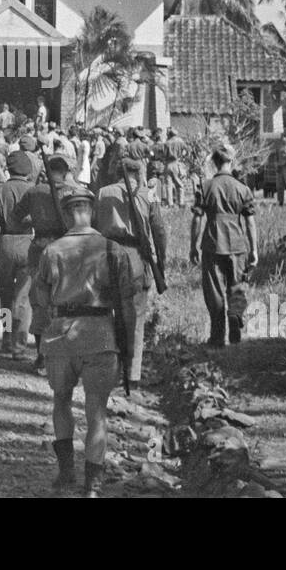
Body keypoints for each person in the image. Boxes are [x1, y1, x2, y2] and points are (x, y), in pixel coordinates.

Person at [35, 188, 137, 498]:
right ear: (91, 212)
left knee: (61, 401)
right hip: (100, 335)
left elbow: (40, 299)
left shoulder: (51, 251)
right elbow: (128, 307)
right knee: (97, 412)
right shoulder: (112, 250)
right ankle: (92, 485)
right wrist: (128, 344)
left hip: (61, 335)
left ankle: (66, 472)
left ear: (67, 215)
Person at [95, 158, 165, 395]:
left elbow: (94, 225)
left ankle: (112, 371)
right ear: (140, 173)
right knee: (135, 318)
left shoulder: (103, 192)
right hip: (135, 255)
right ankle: (132, 376)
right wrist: (160, 263)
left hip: (108, 253)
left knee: (108, 314)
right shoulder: (148, 194)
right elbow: (159, 230)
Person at [189, 146, 258, 348]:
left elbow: (196, 219)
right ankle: (235, 326)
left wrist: (193, 246)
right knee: (236, 287)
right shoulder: (242, 188)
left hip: (212, 243)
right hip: (237, 244)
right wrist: (254, 249)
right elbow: (250, 223)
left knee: (214, 291)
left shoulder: (205, 186)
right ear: (232, 162)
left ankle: (217, 336)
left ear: (214, 163)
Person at [19, 154, 75, 374]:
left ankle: (41, 355)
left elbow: (17, 217)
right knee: (64, 300)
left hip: (39, 247)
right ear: (65, 172)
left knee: (39, 302)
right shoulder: (75, 193)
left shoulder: (33, 191)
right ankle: (60, 353)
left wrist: (38, 217)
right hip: (66, 249)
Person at [0, 149, 36, 359]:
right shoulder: (34, 190)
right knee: (23, 299)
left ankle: (5, 339)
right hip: (27, 242)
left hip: (5, 242)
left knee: (5, 296)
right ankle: (20, 346)